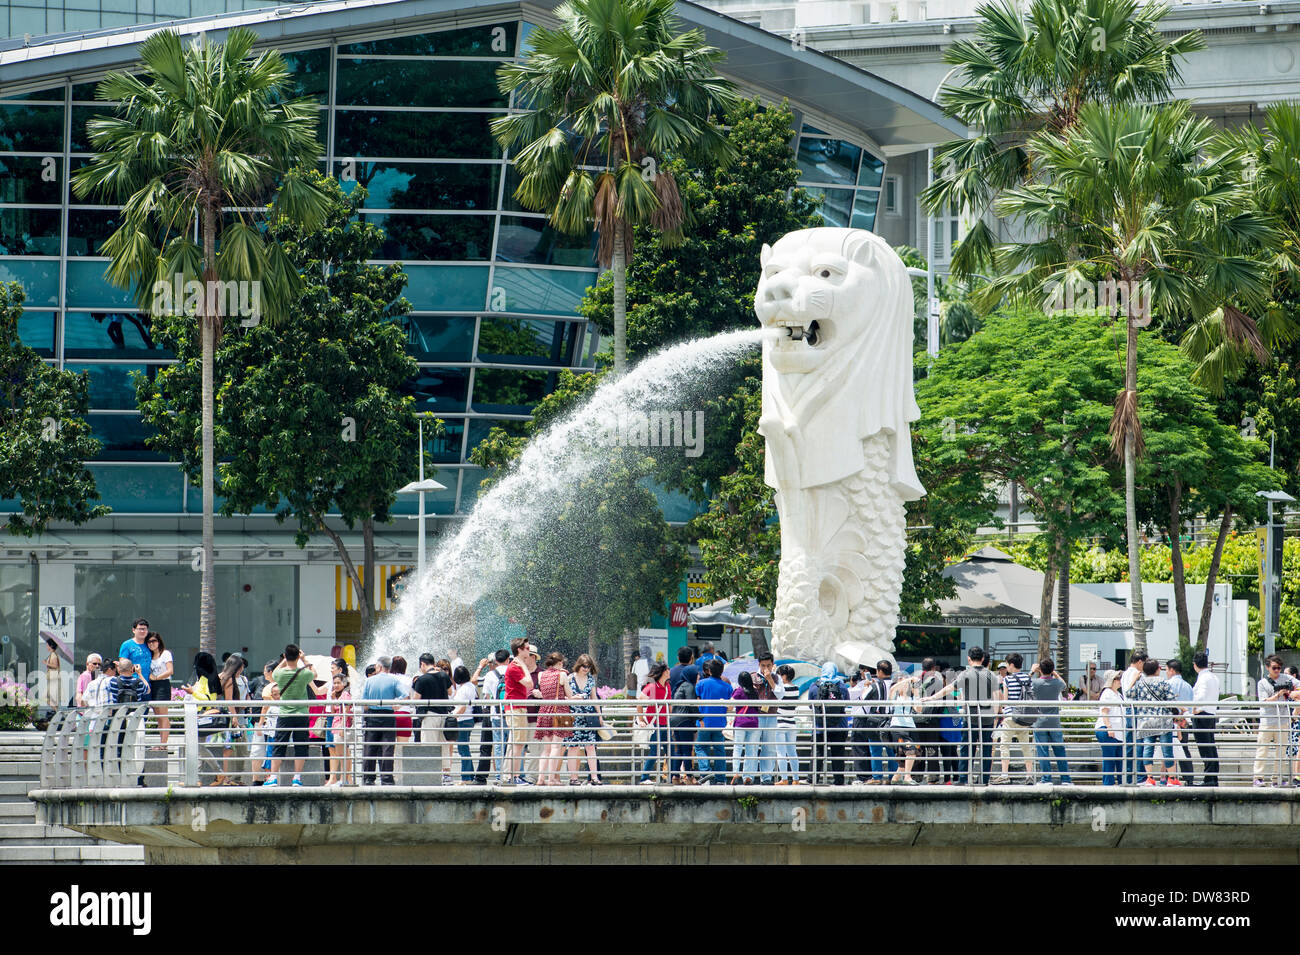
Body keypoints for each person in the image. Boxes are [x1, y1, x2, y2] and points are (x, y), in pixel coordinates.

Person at [924, 646, 998, 785]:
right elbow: (996, 698)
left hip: (971, 717)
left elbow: (949, 688)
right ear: (982, 659)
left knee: (966, 748)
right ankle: (984, 779)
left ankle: (963, 779)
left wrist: (932, 698)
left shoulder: (965, 674)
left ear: (969, 659)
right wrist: (994, 716)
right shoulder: (991, 675)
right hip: (988, 717)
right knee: (986, 750)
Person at [266, 644, 317, 787]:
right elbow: (315, 673)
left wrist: (283, 659)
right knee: (300, 746)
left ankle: (273, 777)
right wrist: (304, 659)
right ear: (297, 656)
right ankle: (297, 778)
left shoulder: (280, 674)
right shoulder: (304, 673)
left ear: (286, 656)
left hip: (285, 714)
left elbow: (274, 671)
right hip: (301, 714)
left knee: (279, 745)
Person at [1127, 658, 1178, 786]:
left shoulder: (1141, 683)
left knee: (1148, 748)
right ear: (1157, 670)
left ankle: (1149, 778)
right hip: (1163, 721)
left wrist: (1133, 680)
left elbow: (1128, 694)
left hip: (1146, 721)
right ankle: (1171, 779)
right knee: (1167, 750)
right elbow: (1171, 700)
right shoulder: (1163, 682)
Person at [360, 656, 405, 786]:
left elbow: (364, 702)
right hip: (388, 715)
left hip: (373, 715)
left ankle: (368, 778)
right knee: (387, 747)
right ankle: (387, 779)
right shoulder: (394, 680)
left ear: (379, 667)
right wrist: (397, 704)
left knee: (370, 747)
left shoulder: (369, 681)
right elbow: (405, 695)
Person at [1254, 654, 1296, 787]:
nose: (1277, 670)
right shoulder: (1262, 683)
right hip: (1267, 721)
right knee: (1262, 750)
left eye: (1279, 668)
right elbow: (1264, 702)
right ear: (1267, 668)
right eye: (1274, 668)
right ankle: (1258, 778)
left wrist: (1292, 693)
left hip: (1282, 720)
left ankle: (1277, 779)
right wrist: (1278, 694)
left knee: (1281, 751)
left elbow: (1298, 684)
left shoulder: (1286, 678)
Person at [992, 652, 1035, 785]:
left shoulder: (1007, 679)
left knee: (1005, 745)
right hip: (1024, 717)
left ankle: (1005, 774)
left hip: (1011, 716)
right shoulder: (1028, 678)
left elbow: (1005, 701)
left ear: (1011, 665)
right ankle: (1029, 775)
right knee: (1026, 746)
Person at [411, 653, 452, 784]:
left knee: (428, 744)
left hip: (429, 715)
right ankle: (446, 775)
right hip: (444, 715)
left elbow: (416, 700)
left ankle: (430, 774)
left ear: (422, 664)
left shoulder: (422, 679)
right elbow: (451, 692)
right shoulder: (443, 675)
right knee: (444, 744)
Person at [1029, 658, 1072, 785]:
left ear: (1040, 670)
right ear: (1052, 670)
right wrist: (1055, 673)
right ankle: (1066, 779)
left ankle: (1046, 779)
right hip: (1054, 722)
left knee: (1042, 751)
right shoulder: (1056, 683)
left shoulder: (1036, 683)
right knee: (1060, 750)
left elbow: (1025, 683)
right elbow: (1064, 684)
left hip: (1040, 722)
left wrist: (1032, 671)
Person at [562, 654, 602, 784]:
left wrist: (599, 715)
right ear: (579, 665)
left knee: (590, 746)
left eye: (589, 666)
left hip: (588, 717)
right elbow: (564, 698)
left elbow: (594, 698)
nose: (586, 669)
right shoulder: (569, 678)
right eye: (584, 666)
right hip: (573, 717)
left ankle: (594, 777)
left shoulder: (591, 679)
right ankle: (573, 778)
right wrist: (574, 698)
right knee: (573, 747)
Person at [503, 639, 539, 785]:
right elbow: (530, 684)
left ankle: (511, 776)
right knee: (517, 744)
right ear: (519, 649)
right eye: (527, 648)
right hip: (516, 708)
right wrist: (524, 665)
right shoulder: (515, 666)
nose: (528, 651)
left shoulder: (515, 665)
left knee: (516, 744)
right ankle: (514, 777)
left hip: (517, 708)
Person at [810, 662, 851, 785]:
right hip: (839, 725)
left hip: (820, 725)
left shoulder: (815, 686)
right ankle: (838, 780)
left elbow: (810, 704)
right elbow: (846, 703)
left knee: (817, 753)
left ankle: (813, 779)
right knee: (838, 754)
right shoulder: (842, 687)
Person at [535, 652, 570, 786]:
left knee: (546, 749)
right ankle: (551, 779)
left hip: (544, 711)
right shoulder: (562, 674)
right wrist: (575, 697)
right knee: (556, 747)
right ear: (560, 663)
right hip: (560, 711)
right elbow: (568, 693)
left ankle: (540, 778)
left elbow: (544, 694)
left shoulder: (541, 675)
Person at [694, 659, 731, 784]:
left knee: (700, 747)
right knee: (719, 750)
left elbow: (697, 700)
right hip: (720, 723)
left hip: (703, 722)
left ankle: (706, 773)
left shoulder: (701, 684)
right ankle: (721, 779)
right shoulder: (727, 687)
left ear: (709, 671)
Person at [476, 649, 510, 784]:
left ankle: (499, 776)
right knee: (513, 744)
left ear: (496, 661)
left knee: (498, 745)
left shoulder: (490, 675)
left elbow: (487, 696)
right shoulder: (512, 671)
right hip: (510, 712)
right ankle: (513, 774)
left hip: (495, 714)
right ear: (508, 659)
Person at [636, 662, 671, 784]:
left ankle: (670, 776)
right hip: (655, 723)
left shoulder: (667, 687)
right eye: (668, 669)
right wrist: (641, 720)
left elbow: (669, 705)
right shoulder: (652, 687)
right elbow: (639, 702)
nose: (669, 671)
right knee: (654, 751)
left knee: (669, 750)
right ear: (663, 672)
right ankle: (644, 777)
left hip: (665, 723)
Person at [912, 658, 944, 783]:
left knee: (918, 749)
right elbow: (941, 701)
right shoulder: (937, 681)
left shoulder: (916, 680)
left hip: (917, 719)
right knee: (932, 750)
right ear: (934, 668)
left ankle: (916, 776)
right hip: (932, 721)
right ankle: (932, 777)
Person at [1191, 651, 1220, 787]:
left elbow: (1200, 696)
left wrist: (1195, 708)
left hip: (1202, 715)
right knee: (1211, 747)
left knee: (1205, 749)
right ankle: (1213, 778)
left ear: (1195, 665)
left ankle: (1208, 780)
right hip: (1211, 715)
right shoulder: (1213, 677)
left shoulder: (1203, 678)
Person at [887, 675, 923, 784]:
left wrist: (916, 691)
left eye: (906, 685)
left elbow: (919, 710)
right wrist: (907, 679)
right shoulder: (895, 697)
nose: (905, 686)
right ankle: (907, 777)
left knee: (909, 755)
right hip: (898, 728)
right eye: (902, 684)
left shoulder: (911, 698)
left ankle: (895, 778)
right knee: (910, 751)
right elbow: (892, 689)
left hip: (911, 728)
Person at [1164, 659, 1195, 783]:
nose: (1166, 672)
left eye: (1166, 670)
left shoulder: (1168, 684)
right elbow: (1191, 707)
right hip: (1184, 722)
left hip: (1171, 722)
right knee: (1184, 749)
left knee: (1168, 750)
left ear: (1171, 670)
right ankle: (1189, 778)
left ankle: (1169, 778)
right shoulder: (1188, 686)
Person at [1120, 650, 1148, 784]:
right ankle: (1140, 777)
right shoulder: (1136, 674)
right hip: (1135, 710)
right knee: (1139, 743)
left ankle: (1129, 776)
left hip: (1128, 710)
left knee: (1131, 744)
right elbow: (1130, 692)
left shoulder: (1125, 673)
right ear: (1139, 662)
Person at [729, 671, 761, 785]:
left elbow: (729, 707)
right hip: (753, 723)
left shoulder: (738, 691)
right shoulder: (755, 691)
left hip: (741, 723)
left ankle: (735, 773)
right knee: (750, 750)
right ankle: (747, 776)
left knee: (737, 748)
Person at [448, 665, 478, 784]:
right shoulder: (471, 686)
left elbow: (461, 707)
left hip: (462, 721)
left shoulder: (463, 689)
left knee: (463, 749)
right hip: (469, 720)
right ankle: (470, 775)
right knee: (465, 748)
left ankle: (466, 778)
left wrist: (452, 718)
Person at [1095, 669, 1125, 786]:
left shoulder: (1119, 694)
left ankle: (1121, 783)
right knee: (1110, 759)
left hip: (1118, 731)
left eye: (1119, 678)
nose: (1119, 681)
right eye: (1116, 679)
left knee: (1119, 759)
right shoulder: (1107, 693)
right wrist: (1109, 727)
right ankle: (1108, 784)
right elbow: (1105, 711)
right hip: (1108, 729)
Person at [669, 666, 699, 784]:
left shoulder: (680, 685)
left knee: (679, 750)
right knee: (687, 749)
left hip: (675, 721)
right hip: (684, 720)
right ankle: (690, 777)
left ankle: (675, 776)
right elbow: (691, 704)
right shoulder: (689, 686)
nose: (698, 676)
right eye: (696, 674)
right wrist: (700, 718)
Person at [773, 664, 802, 784]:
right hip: (791, 723)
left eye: (779, 675)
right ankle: (796, 779)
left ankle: (784, 778)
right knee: (792, 752)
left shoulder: (781, 688)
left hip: (780, 722)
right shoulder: (796, 688)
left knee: (781, 752)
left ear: (784, 676)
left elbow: (776, 694)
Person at [324, 671, 352, 786]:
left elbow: (345, 711)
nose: (336, 685)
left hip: (340, 726)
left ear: (344, 684)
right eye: (334, 683)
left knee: (343, 753)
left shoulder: (345, 695)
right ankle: (343, 778)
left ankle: (345, 778)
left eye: (338, 683)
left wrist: (341, 727)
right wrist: (332, 700)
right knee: (340, 752)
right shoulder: (337, 695)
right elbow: (333, 711)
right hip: (336, 725)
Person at [146, 632, 173, 746]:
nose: (152, 644)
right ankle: (161, 742)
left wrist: (156, 678)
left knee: (163, 715)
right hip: (153, 686)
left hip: (163, 684)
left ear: (159, 641)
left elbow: (170, 671)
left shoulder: (165, 653)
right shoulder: (149, 656)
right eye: (149, 642)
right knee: (158, 716)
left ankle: (163, 744)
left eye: (154, 641)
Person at [118, 618, 153, 686]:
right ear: (133, 630)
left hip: (148, 683)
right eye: (140, 629)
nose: (142, 631)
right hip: (132, 683)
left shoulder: (150, 644)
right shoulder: (127, 645)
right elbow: (123, 665)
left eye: (144, 629)